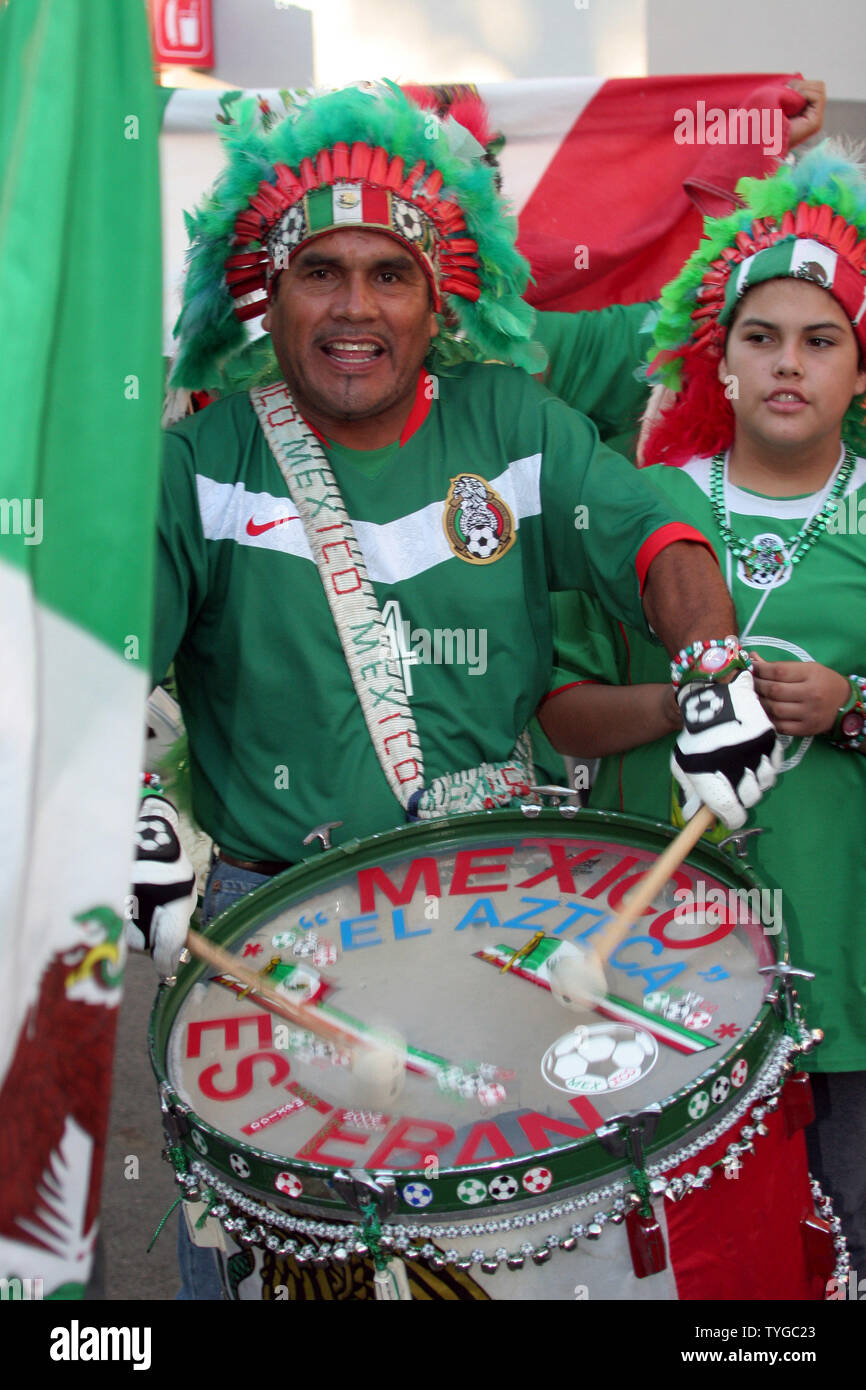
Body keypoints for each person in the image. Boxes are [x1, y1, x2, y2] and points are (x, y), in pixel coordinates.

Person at [129, 83, 781, 1298]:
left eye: (389, 274)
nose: (354, 308)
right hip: (271, 935)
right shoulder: (200, 460)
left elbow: (658, 531)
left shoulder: (512, 422)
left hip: (496, 914)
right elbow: (114, 661)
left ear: (440, 299)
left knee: (492, 1257)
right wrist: (130, 810)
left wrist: (709, 666)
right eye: (320, 271)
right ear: (264, 294)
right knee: (285, 1260)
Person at [538, 139, 866, 1274]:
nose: (787, 364)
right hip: (655, 972)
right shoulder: (645, 504)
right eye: (758, 338)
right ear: (715, 360)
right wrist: (687, 701)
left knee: (840, 1250)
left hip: (845, 984)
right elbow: (561, 715)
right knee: (678, 1268)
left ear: (857, 369)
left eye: (820, 340)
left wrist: (846, 706)